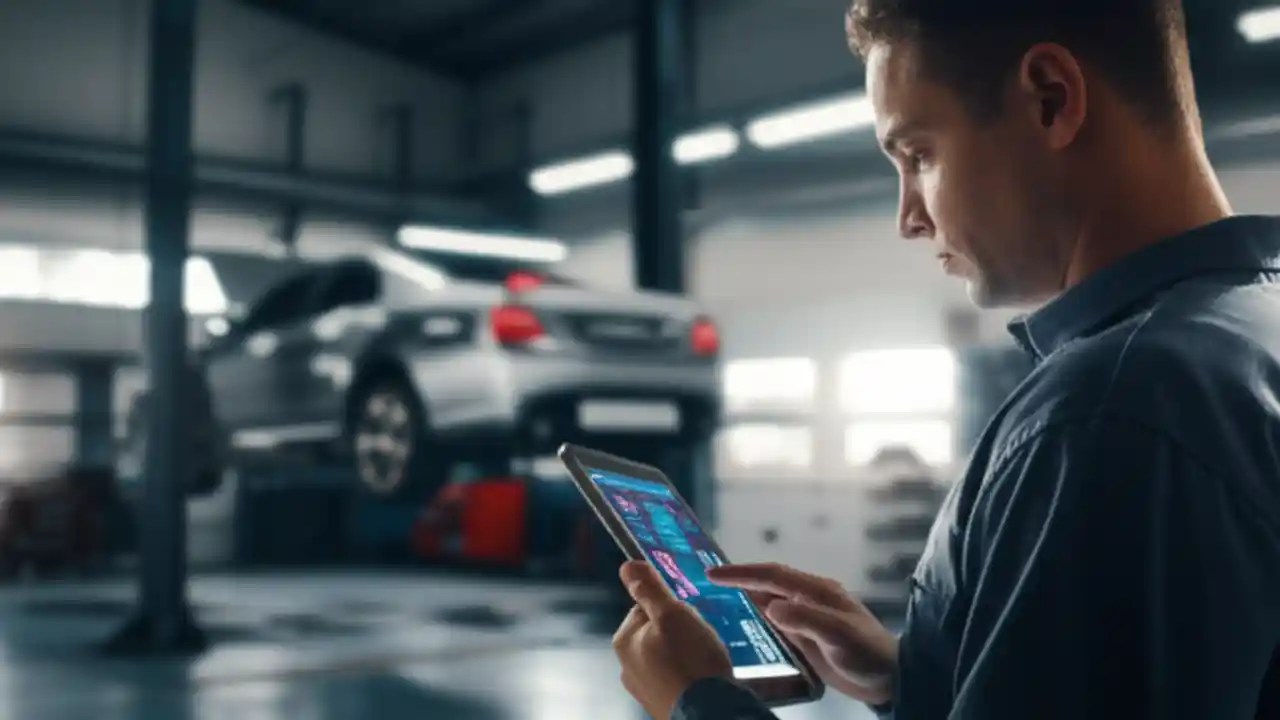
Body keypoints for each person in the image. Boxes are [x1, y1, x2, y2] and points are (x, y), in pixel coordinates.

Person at [611, 0, 1280, 718]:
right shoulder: (1245, 329)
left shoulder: (1111, 409)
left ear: (1050, 98)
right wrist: (918, 673)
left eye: (918, 155)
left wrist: (698, 702)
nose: (909, 217)